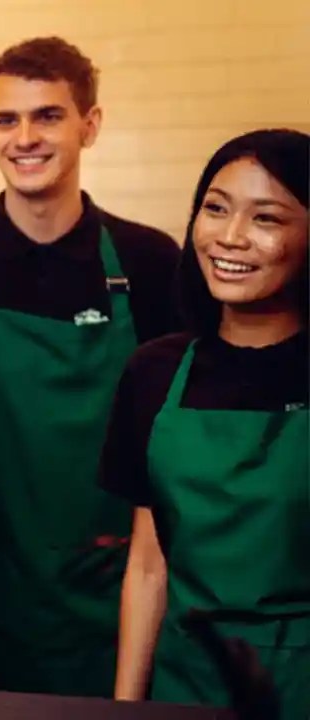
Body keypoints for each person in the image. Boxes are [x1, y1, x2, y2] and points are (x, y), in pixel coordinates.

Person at [0, 36, 181, 696]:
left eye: (48, 115)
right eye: (6, 118)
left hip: (121, 604)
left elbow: (179, 449)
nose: (24, 137)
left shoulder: (151, 263)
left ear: (91, 124)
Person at [104, 129, 309, 719]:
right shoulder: (154, 372)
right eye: (215, 208)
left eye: (266, 217)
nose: (230, 236)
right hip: (185, 685)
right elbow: (148, 565)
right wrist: (125, 709)